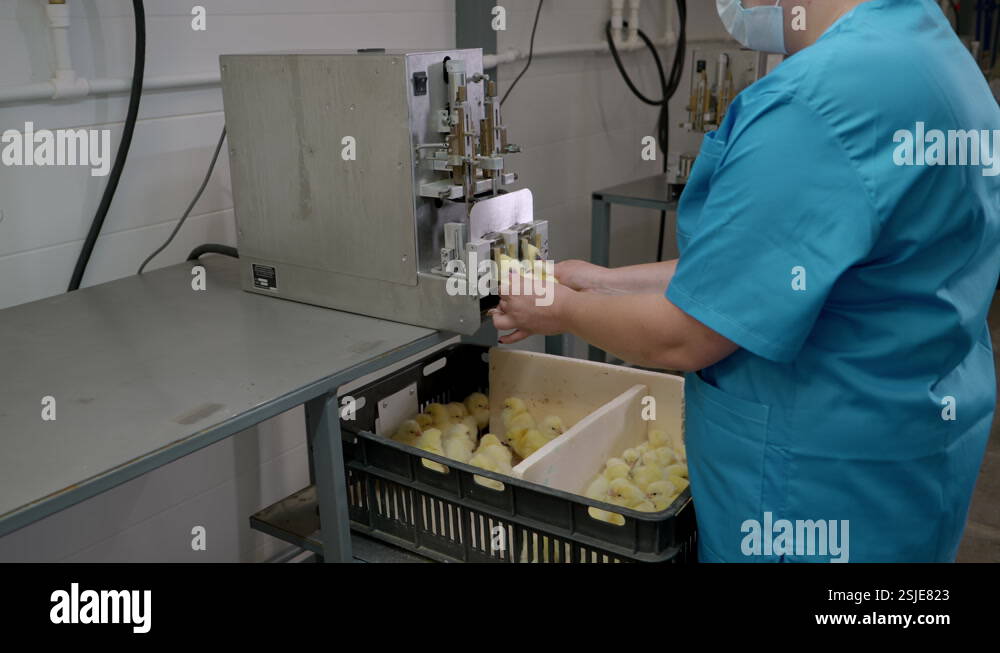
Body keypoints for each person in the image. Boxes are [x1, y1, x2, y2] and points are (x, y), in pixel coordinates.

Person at [491, 0, 1000, 562]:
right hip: (911, 461)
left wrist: (555, 310)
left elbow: (685, 334)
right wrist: (602, 282)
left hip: (813, 490)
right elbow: (754, 270)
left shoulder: (814, 102)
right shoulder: (932, 52)